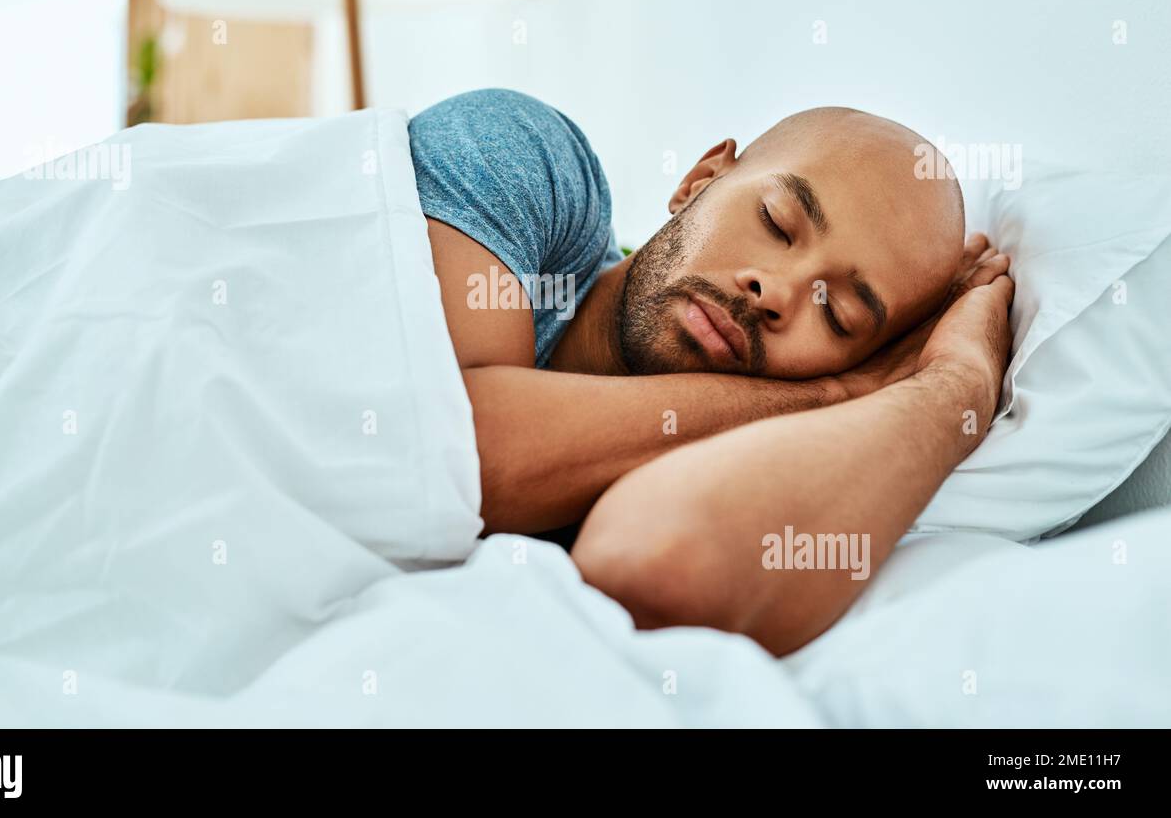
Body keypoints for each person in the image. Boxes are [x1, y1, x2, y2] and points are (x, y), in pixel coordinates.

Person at [411, 89, 1013, 654]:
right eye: (776, 224)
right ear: (699, 180)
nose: (776, 291)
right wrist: (839, 392)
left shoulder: (729, 448)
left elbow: (658, 568)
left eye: (839, 315)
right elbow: (455, 453)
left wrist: (957, 385)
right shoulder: (522, 157)